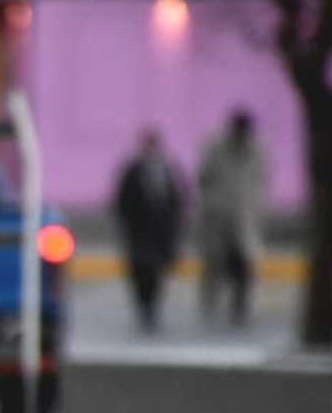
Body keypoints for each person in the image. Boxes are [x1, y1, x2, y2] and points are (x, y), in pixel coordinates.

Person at [195, 108, 268, 325]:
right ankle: (211, 303)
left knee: (243, 266)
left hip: (244, 219)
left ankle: (239, 307)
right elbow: (202, 178)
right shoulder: (215, 147)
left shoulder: (257, 151)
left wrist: (256, 210)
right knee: (214, 264)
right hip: (217, 218)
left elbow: (260, 183)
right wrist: (211, 204)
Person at [111, 128, 183, 333]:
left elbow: (176, 201)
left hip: (161, 235)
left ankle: (152, 307)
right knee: (139, 273)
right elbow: (122, 202)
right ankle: (144, 308)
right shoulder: (133, 170)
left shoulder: (168, 170)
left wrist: (174, 227)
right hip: (138, 234)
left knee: (158, 274)